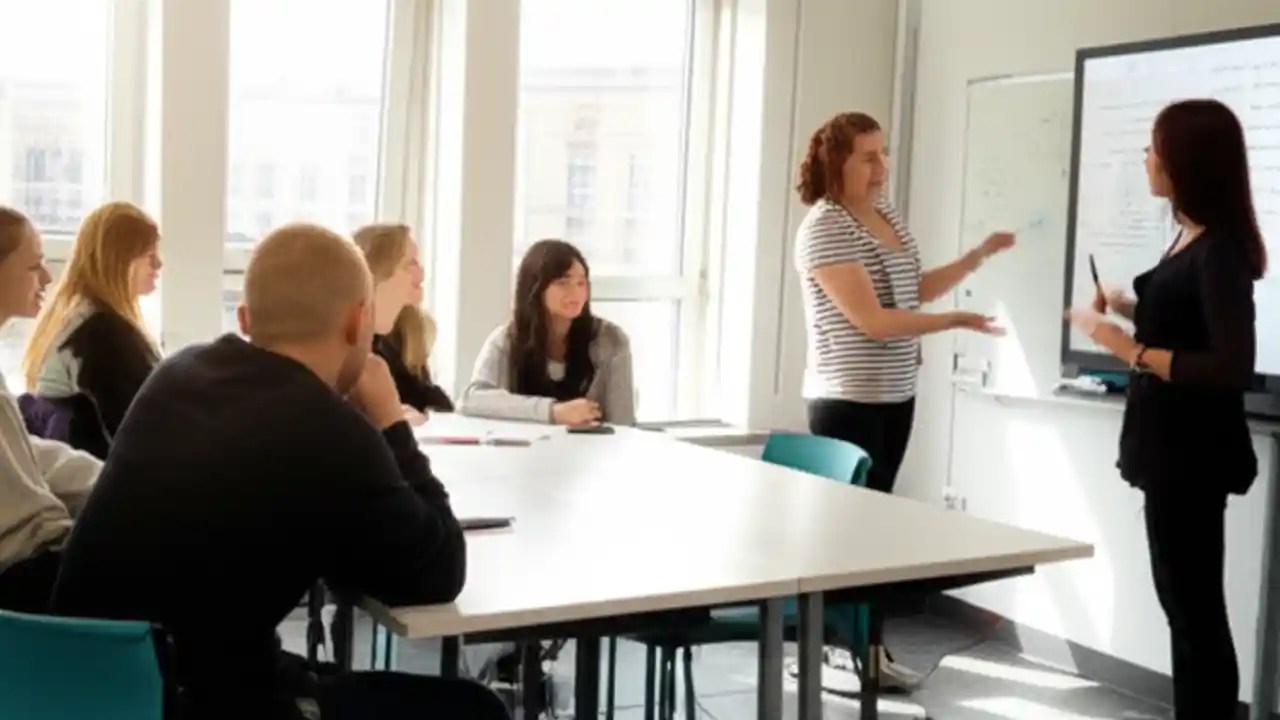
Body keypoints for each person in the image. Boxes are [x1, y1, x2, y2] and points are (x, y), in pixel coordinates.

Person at [51, 224, 507, 720]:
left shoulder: (177, 373)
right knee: (474, 709)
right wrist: (391, 422)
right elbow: (438, 573)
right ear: (359, 323)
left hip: (79, 679)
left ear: (245, 320)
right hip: (185, 698)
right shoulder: (329, 429)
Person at [793, 111, 1014, 688]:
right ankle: (836, 651)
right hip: (848, 399)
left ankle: (862, 650)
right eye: (867, 156)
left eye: (883, 153)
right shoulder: (826, 226)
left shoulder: (887, 216)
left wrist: (973, 259)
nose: (881, 166)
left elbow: (907, 289)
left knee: (873, 535)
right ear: (835, 163)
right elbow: (871, 320)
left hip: (896, 394)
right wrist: (952, 322)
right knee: (847, 534)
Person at [1067, 99, 1263, 720]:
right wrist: (1126, 306)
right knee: (1182, 606)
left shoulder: (1221, 252)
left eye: (1154, 147)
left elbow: (1229, 365)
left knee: (1195, 610)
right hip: (1166, 450)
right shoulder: (1188, 235)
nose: (1146, 159)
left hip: (1193, 457)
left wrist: (1127, 346)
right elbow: (1186, 326)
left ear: (1185, 162)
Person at [0, 206, 100, 613]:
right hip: (23, 576)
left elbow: (28, 454)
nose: (45, 278)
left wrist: (109, 483)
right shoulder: (105, 333)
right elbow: (24, 521)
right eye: (34, 265)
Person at [22, 201, 162, 448]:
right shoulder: (103, 333)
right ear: (120, 261)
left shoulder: (73, 317)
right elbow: (137, 430)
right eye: (150, 256)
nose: (159, 265)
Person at [459, 238, 635, 426]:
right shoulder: (508, 339)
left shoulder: (611, 340)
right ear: (535, 288)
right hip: (522, 452)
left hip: (590, 451)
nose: (575, 292)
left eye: (581, 283)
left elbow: (622, 423)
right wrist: (553, 412)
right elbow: (472, 400)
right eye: (563, 282)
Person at [354, 223, 454, 418]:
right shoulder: (349, 336)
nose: (422, 272)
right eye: (411, 263)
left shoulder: (408, 328)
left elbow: (435, 401)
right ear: (379, 272)